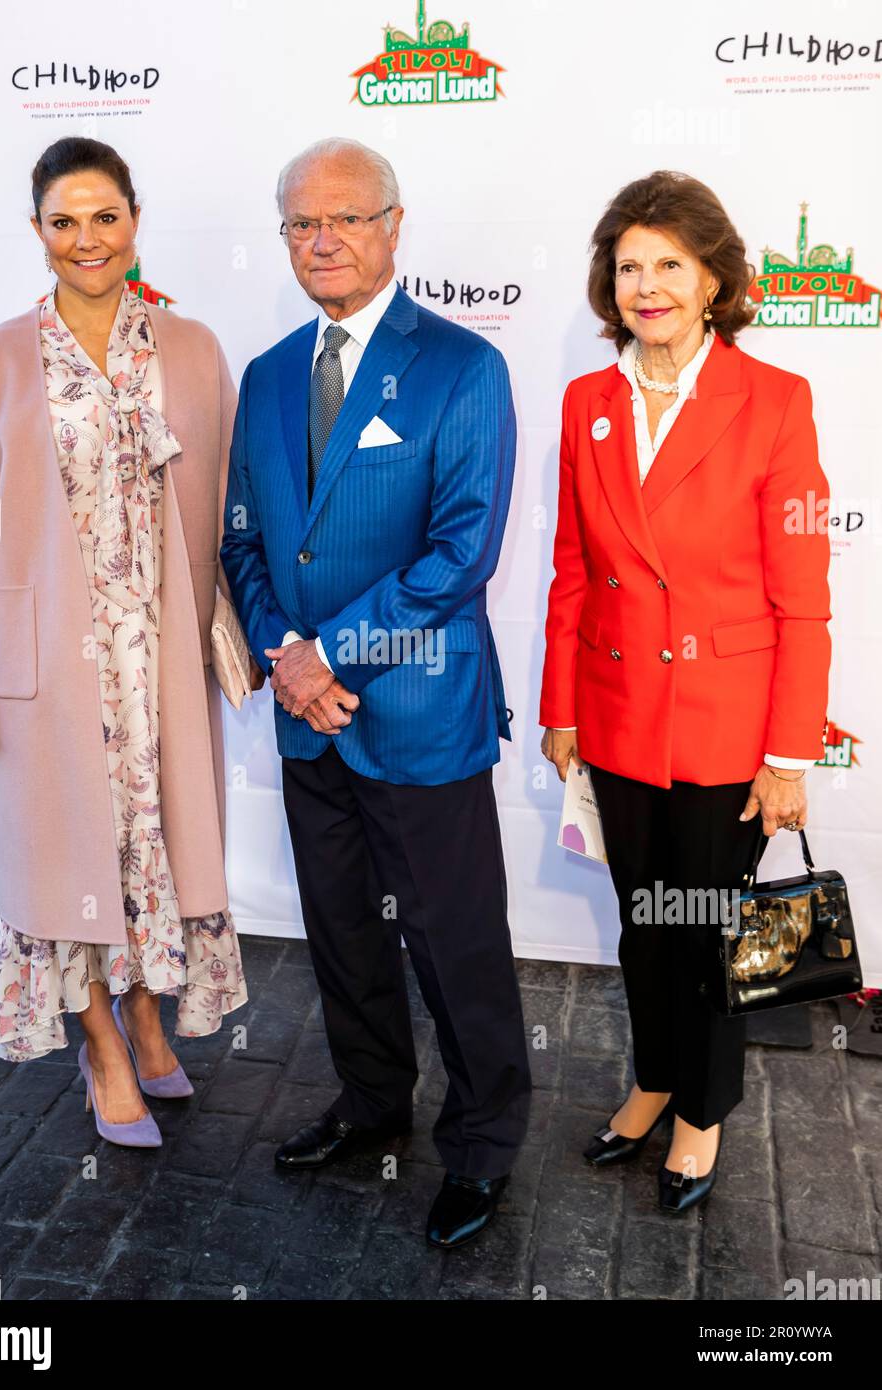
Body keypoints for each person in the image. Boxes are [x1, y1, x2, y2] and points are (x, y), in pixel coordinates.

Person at [220, 136, 531, 1249]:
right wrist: (277, 652)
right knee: (344, 936)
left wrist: (325, 660)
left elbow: (460, 553)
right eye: (303, 223)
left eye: (346, 218)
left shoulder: (459, 366)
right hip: (309, 725)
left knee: (454, 945)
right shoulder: (263, 377)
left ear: (394, 226)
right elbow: (243, 540)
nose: (324, 240)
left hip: (416, 716)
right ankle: (370, 1105)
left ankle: (486, 1143)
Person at [0, 137, 253, 1146]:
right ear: (36, 233)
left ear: (135, 220)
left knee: (152, 845)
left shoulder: (194, 348)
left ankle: (151, 1016)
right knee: (63, 853)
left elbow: (236, 507)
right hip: (47, 665)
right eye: (62, 221)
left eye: (104, 216)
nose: (86, 240)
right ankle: (101, 1045)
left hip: (160, 654)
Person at [539, 170, 831, 1214]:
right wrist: (560, 708)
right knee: (638, 923)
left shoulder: (774, 402)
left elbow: (804, 601)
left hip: (725, 731)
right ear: (607, 283)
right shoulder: (587, 404)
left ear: (713, 279)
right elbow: (572, 567)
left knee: (707, 927)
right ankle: (652, 1076)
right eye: (629, 267)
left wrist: (789, 753)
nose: (648, 285)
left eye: (670, 265)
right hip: (615, 721)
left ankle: (700, 1110)